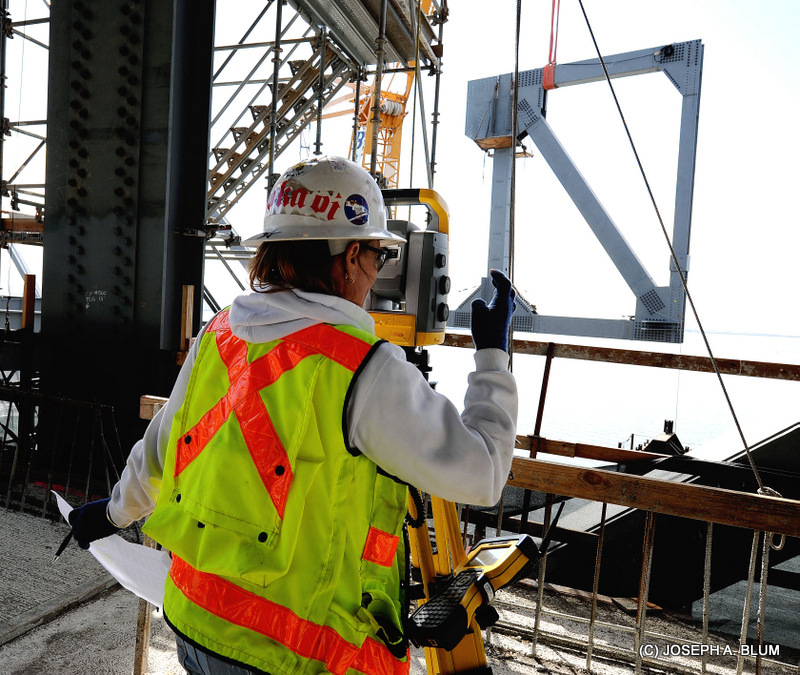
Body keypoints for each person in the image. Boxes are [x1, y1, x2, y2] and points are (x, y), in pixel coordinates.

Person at [66, 155, 518, 675]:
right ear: (351, 256)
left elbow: (163, 446)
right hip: (289, 655)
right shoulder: (364, 368)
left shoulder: (220, 334)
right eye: (378, 256)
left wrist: (111, 513)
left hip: (195, 622)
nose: (376, 276)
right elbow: (483, 474)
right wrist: (493, 359)